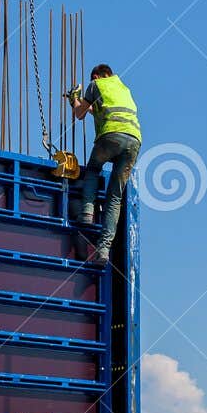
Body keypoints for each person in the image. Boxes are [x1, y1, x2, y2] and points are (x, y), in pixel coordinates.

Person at [66, 63, 141, 264]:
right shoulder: (123, 89)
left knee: (93, 169)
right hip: (133, 141)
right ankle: (104, 250)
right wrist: (82, 103)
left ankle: (87, 213)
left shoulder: (96, 84)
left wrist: (74, 100)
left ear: (98, 76)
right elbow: (94, 109)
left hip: (110, 136)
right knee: (115, 197)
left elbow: (80, 114)